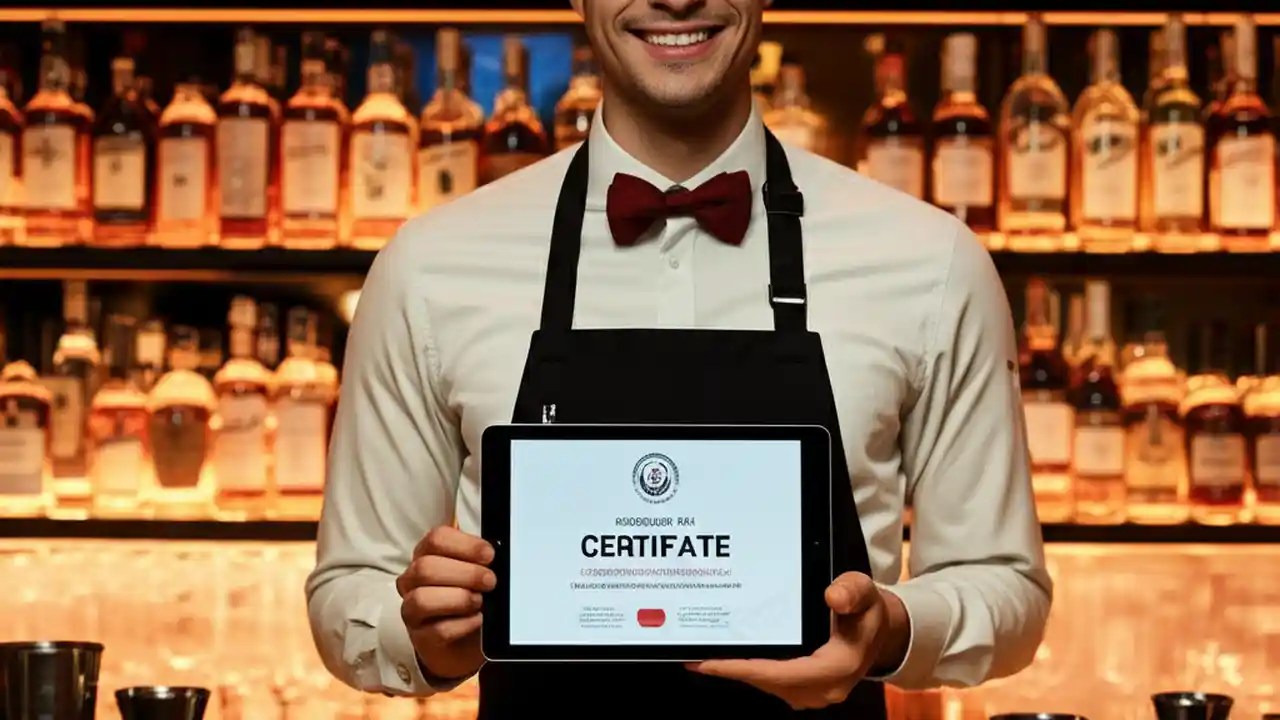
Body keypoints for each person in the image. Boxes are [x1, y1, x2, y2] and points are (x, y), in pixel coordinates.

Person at [306, 0, 1052, 716]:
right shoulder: (431, 265)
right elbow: (350, 586)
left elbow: (1003, 583)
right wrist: (426, 637)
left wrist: (890, 630)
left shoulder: (929, 260)